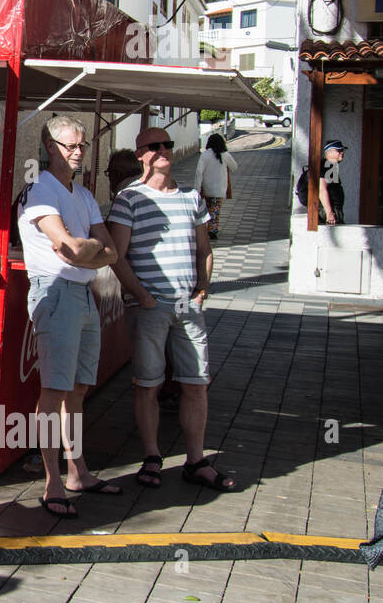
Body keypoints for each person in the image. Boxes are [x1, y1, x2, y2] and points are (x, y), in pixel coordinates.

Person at [108, 127, 236, 493]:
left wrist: (203, 289)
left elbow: (204, 249)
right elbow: (118, 256)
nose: (164, 150)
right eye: (155, 146)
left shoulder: (191, 197)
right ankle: (151, 456)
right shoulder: (128, 199)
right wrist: (143, 297)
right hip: (150, 307)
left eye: (167, 144)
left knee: (196, 384)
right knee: (148, 384)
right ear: (141, 155)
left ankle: (195, 460)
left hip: (188, 306)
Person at [17, 115, 121, 518]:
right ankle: (52, 481)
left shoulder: (82, 193)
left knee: (77, 390)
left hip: (82, 290)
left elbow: (110, 252)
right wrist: (90, 248)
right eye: (69, 146)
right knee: (55, 392)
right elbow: (72, 250)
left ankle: (77, 471)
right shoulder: (41, 190)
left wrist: (86, 247)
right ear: (48, 146)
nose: (77, 152)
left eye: (81, 146)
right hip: (55, 290)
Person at [194, 133, 239, 239]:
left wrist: (197, 188)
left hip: (207, 188)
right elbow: (235, 167)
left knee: (209, 208)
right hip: (220, 188)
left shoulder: (205, 155)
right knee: (215, 209)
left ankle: (208, 227)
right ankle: (212, 230)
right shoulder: (225, 154)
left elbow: (199, 172)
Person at [314, 140, 347, 225]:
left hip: (333, 210)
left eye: (342, 150)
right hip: (330, 213)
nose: (342, 153)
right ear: (329, 153)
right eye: (338, 151)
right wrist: (329, 213)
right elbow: (322, 190)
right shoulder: (327, 166)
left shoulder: (331, 166)